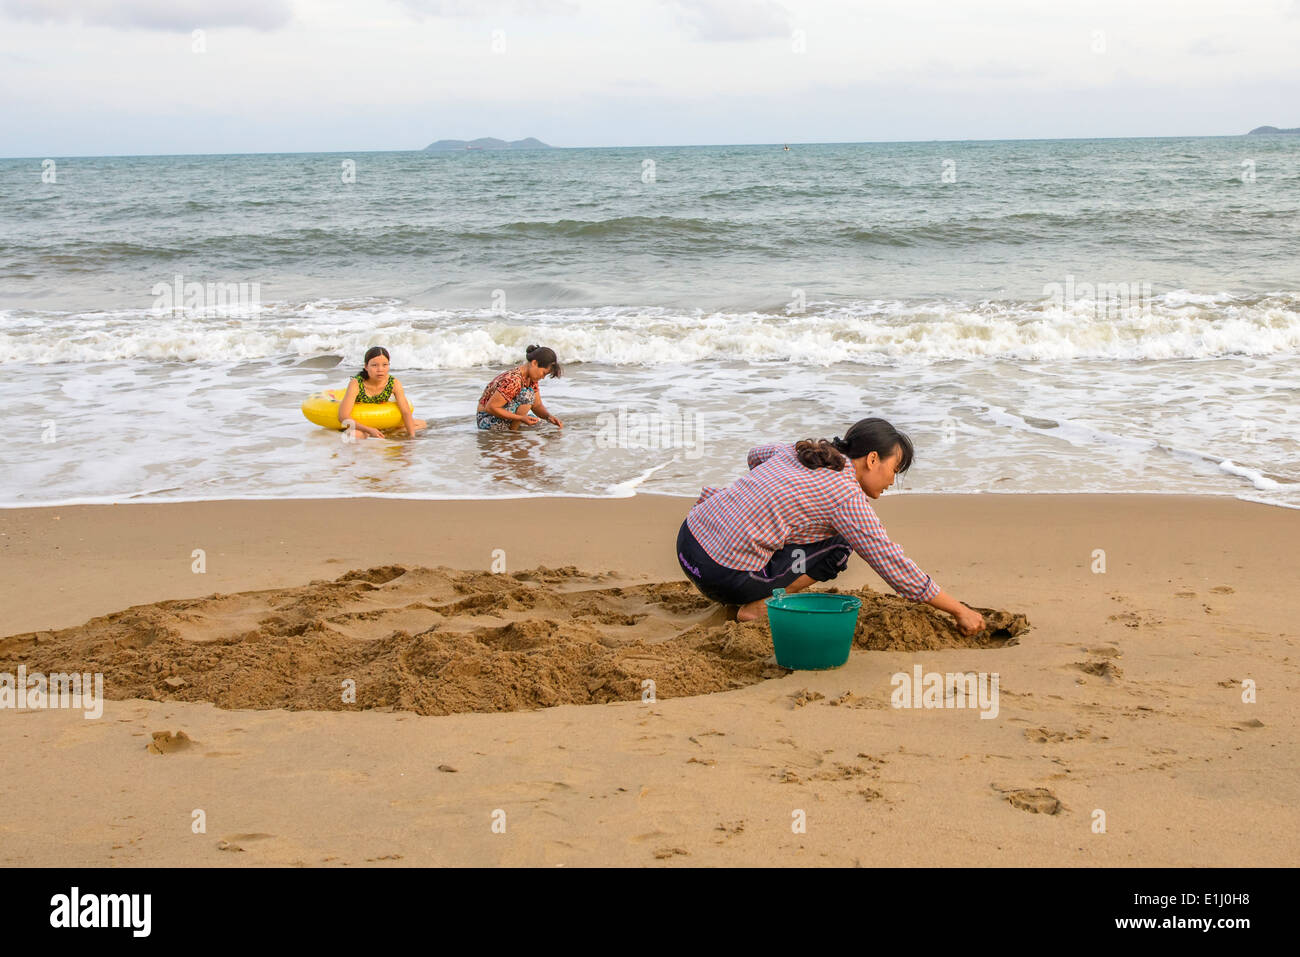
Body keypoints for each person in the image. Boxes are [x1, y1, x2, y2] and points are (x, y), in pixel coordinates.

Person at [677, 417, 986, 634]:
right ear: (873, 459)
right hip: (722, 574)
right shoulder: (846, 498)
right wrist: (960, 610)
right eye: (894, 469)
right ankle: (762, 606)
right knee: (839, 545)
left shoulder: (802, 452)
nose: (893, 480)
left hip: (689, 541)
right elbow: (894, 566)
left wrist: (775, 503)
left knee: (796, 522)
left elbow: (754, 456)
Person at [337, 346, 426, 439]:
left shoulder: (393, 383)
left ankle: (386, 433)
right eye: (374, 365)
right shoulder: (356, 384)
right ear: (366, 366)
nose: (380, 369)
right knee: (353, 435)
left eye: (385, 365)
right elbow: (343, 416)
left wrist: (411, 438)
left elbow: (406, 412)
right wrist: (369, 430)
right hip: (362, 425)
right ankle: (374, 434)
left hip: (381, 423)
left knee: (421, 424)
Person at [475, 344, 564, 432]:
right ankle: (513, 433)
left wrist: (548, 417)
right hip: (487, 419)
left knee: (540, 424)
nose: (543, 377)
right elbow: (490, 408)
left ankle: (514, 430)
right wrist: (521, 418)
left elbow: (537, 405)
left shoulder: (531, 379)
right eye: (543, 373)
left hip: (503, 415)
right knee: (527, 394)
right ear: (534, 363)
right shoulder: (513, 380)